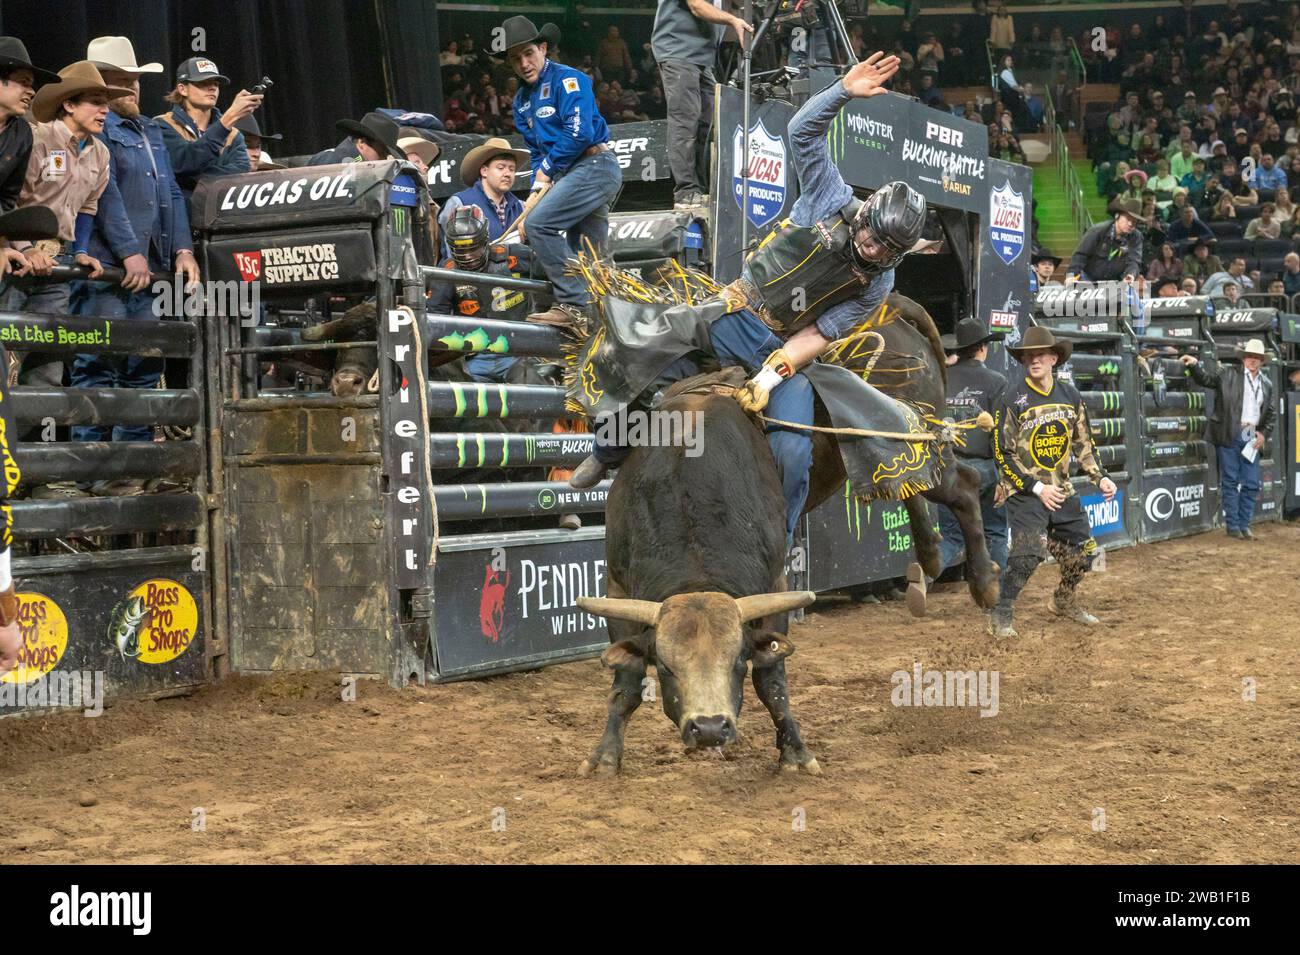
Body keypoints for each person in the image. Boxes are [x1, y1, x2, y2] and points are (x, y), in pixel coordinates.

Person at [568, 54, 928, 550]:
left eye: (889, 249)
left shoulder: (878, 283)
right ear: (866, 214)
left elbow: (820, 334)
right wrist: (843, 90)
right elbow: (802, 132)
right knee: (637, 358)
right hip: (731, 312)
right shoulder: (829, 196)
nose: (874, 250)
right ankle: (606, 450)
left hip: (779, 351)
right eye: (874, 238)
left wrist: (771, 374)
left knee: (795, 450)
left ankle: (775, 542)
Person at [70, 37, 201, 494]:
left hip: (148, 269)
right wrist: (129, 250)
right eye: (120, 83)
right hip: (107, 270)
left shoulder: (148, 131)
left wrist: (183, 249)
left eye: (134, 83)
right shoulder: (98, 131)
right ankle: (93, 472)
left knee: (144, 366)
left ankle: (136, 467)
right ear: (100, 88)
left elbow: (169, 195)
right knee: (99, 364)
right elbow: (100, 197)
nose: (131, 91)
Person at [1, 61, 126, 431]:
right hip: (18, 257)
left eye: (106, 103)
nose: (105, 110)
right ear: (68, 104)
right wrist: (24, 248)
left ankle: (34, 466)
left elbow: (88, 207)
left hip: (58, 263)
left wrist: (83, 249)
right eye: (95, 101)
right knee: (8, 354)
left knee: (48, 362)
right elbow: (15, 199)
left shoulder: (101, 153)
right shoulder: (37, 138)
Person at [989, 326, 1116, 638]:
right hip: (1025, 491)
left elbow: (1083, 443)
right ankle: (1001, 612)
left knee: (1085, 553)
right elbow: (1002, 453)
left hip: (1060, 488)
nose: (1034, 360)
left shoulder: (1070, 395)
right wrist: (1036, 487)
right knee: (1028, 553)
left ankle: (1063, 599)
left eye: (1040, 354)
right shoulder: (1011, 398)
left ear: (1054, 358)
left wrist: (1100, 477)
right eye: (1028, 355)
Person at [504, 16, 623, 330]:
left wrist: (545, 172)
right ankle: (606, 319)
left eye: (529, 53)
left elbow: (580, 133)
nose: (524, 63)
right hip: (573, 173)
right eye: (516, 58)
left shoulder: (569, 79)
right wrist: (534, 192)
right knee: (591, 253)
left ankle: (574, 305)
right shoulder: (520, 102)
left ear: (543, 48)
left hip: (594, 166)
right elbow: (538, 154)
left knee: (540, 225)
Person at [650, 1, 748, 216]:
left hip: (703, 58)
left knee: (710, 125)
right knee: (685, 121)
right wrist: (732, 19)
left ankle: (704, 189)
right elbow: (697, 6)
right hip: (679, 52)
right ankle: (685, 192)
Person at [934, 318, 1009, 581]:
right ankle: (995, 590)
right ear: (982, 348)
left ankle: (924, 573)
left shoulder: (941, 379)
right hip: (983, 468)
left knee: (952, 532)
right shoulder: (996, 381)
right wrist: (1004, 475)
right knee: (994, 529)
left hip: (946, 466)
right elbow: (1001, 432)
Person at [1181, 339, 1275, 540]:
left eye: (1256, 358)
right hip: (1229, 430)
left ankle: (1243, 524)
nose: (1252, 360)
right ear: (1244, 358)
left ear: (1261, 361)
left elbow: (1271, 414)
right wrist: (1195, 365)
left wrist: (1264, 433)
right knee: (1231, 480)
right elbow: (1206, 380)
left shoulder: (1266, 384)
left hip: (1249, 432)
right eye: (1250, 356)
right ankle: (1234, 526)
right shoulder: (1228, 373)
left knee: (1251, 483)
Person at [154, 57, 260, 197]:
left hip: (221, 214)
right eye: (203, 83)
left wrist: (191, 178)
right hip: (184, 215)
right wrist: (229, 118)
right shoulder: (162, 125)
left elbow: (240, 173)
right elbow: (185, 162)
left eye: (216, 83)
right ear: (182, 89)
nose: (213, 88)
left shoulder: (234, 135)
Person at [0, 38, 57, 217]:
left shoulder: (22, 133)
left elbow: (7, 199)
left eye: (31, 85)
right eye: (24, 82)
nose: (32, 92)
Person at [438, 137, 527, 248]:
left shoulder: (521, 207)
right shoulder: (459, 203)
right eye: (501, 167)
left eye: (511, 169)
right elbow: (451, 253)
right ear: (484, 171)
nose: (507, 173)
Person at [1066, 198, 1143, 285]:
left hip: (1114, 282)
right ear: (1117, 216)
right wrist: (1071, 275)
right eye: (1128, 219)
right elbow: (1080, 255)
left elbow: (1134, 261)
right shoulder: (1097, 231)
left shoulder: (1136, 237)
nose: (1130, 224)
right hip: (1088, 279)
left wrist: (1131, 274)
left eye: (1134, 221)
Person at [309, 111, 408, 165]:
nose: (383, 160)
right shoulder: (338, 160)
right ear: (361, 143)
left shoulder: (346, 159)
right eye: (382, 153)